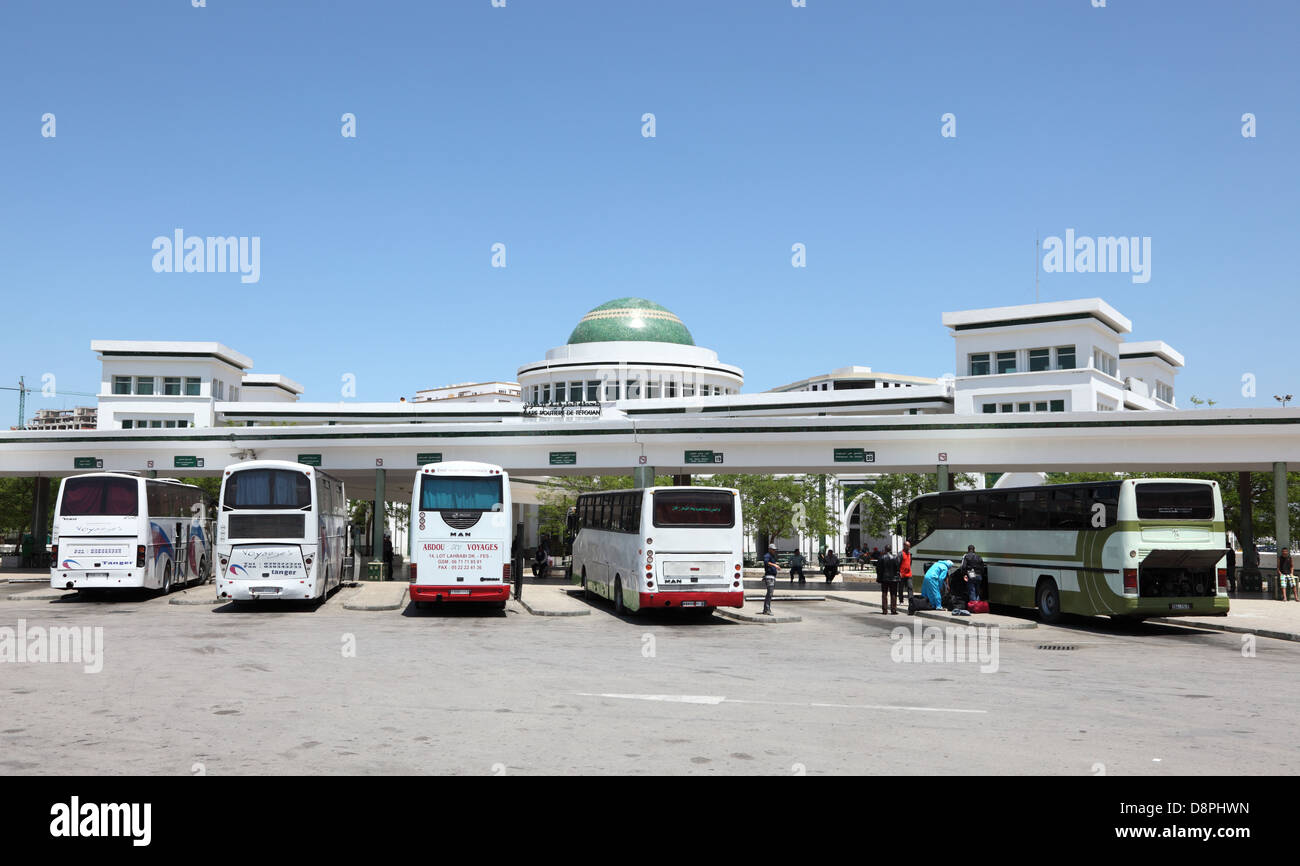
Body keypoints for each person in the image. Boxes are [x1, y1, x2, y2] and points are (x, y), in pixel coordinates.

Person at [877, 549, 899, 615]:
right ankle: (893, 609)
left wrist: (879, 577)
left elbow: (878, 568)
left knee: (884, 594)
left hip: (884, 578)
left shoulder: (882, 557)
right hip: (893, 579)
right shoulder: (895, 557)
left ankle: (885, 610)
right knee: (893, 594)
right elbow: (897, 567)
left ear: (885, 549)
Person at [761, 545, 780, 615]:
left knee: (770, 594)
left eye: (775, 550)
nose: (774, 551)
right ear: (770, 549)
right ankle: (766, 609)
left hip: (772, 577)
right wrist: (775, 565)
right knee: (769, 593)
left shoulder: (772, 556)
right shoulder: (767, 555)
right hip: (769, 577)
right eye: (773, 550)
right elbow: (766, 562)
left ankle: (767, 609)